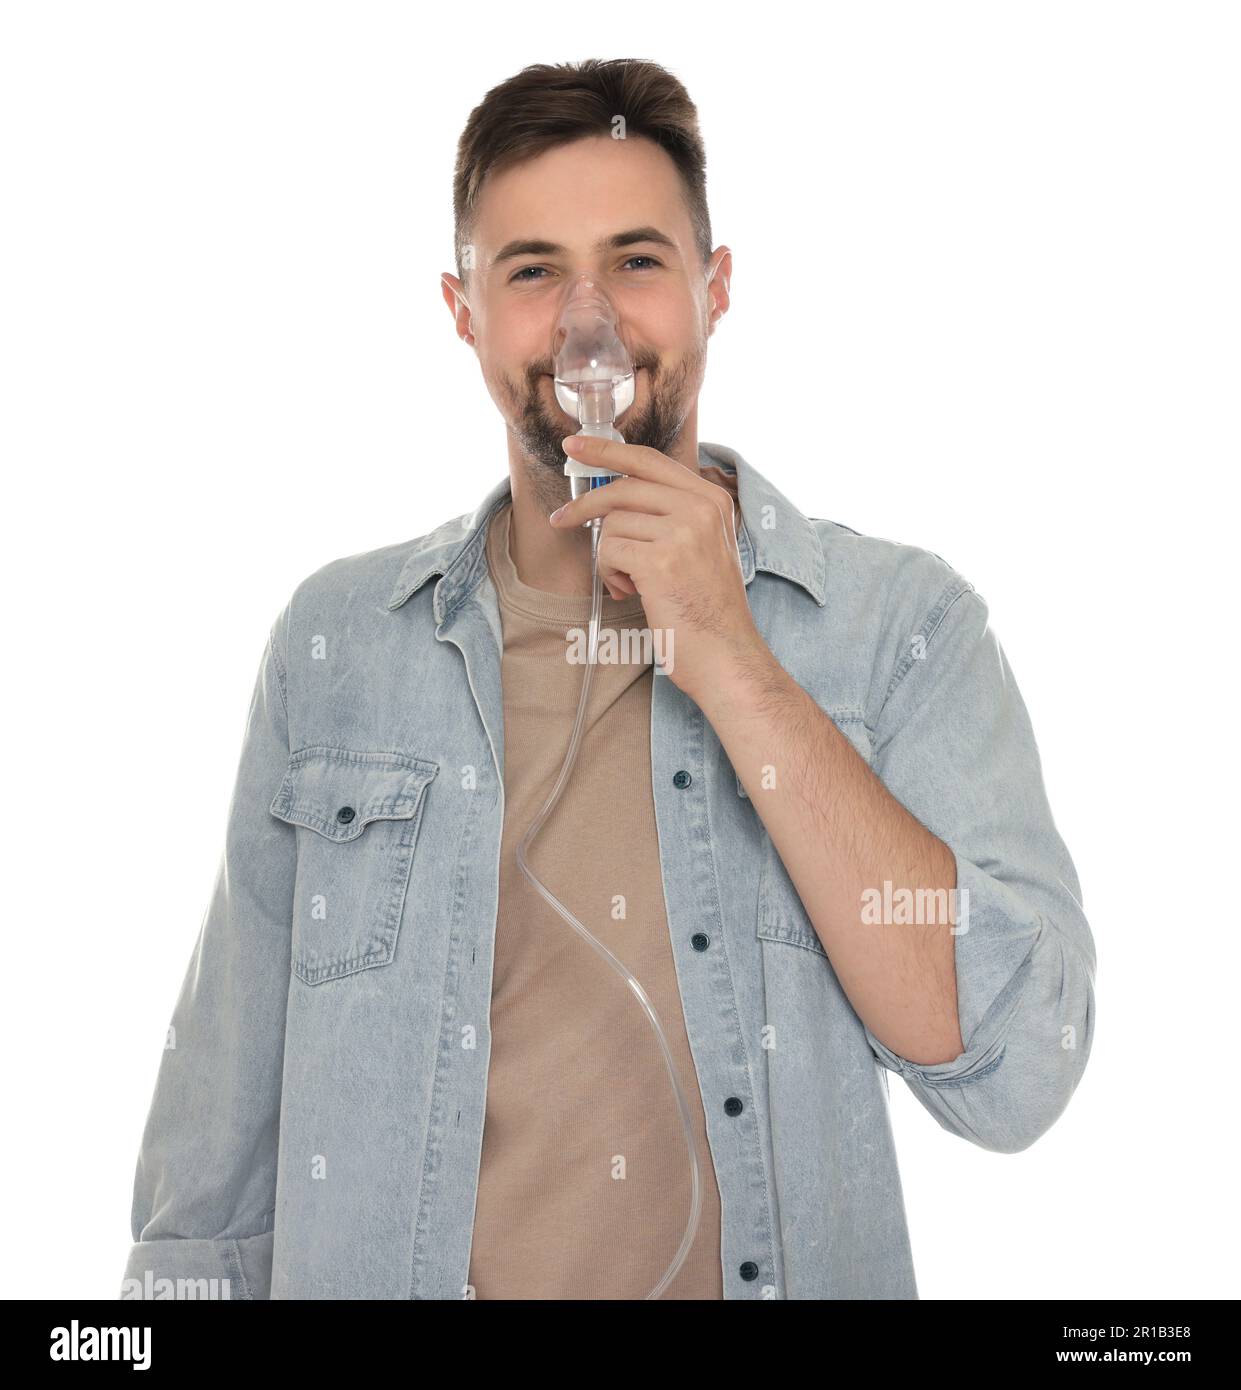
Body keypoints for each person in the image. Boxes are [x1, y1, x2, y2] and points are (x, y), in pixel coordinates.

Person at [121, 57, 1096, 1301]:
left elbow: (1019, 1066)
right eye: (532, 272)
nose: (589, 325)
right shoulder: (341, 646)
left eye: (635, 262)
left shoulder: (897, 628)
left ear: (714, 287)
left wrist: (730, 653)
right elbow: (218, 1138)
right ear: (461, 308)